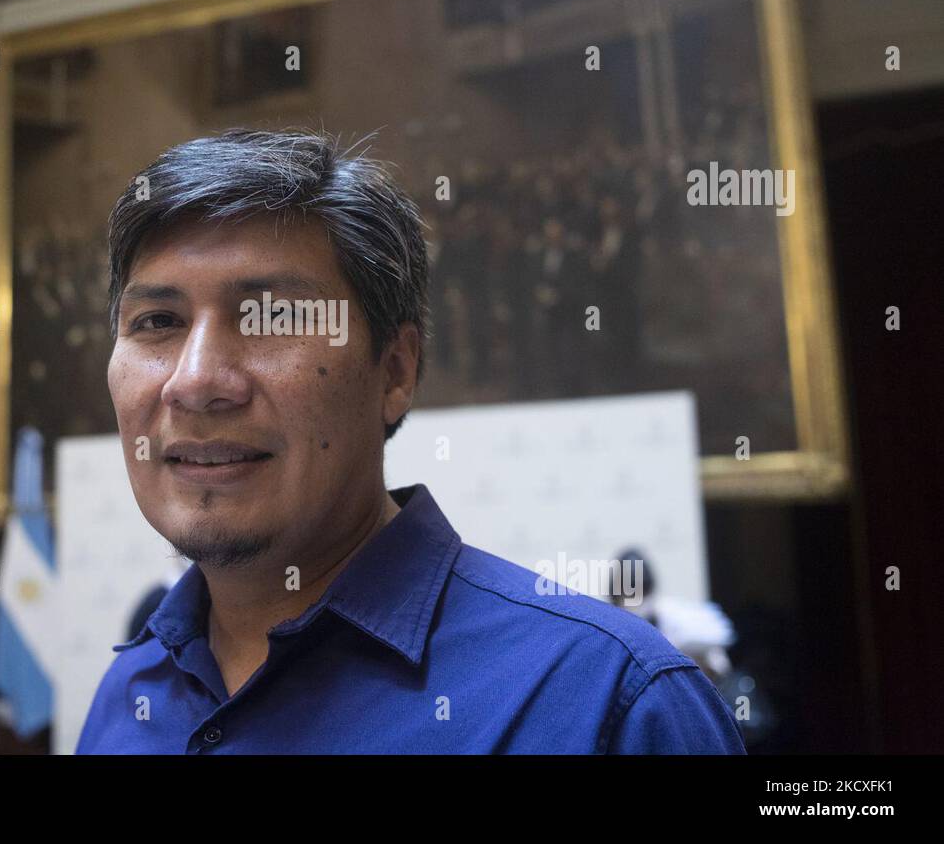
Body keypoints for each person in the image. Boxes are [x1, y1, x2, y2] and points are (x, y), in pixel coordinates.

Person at [75, 127, 745, 754]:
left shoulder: (610, 704)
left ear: (394, 371)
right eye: (157, 320)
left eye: (270, 316)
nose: (196, 382)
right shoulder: (129, 693)